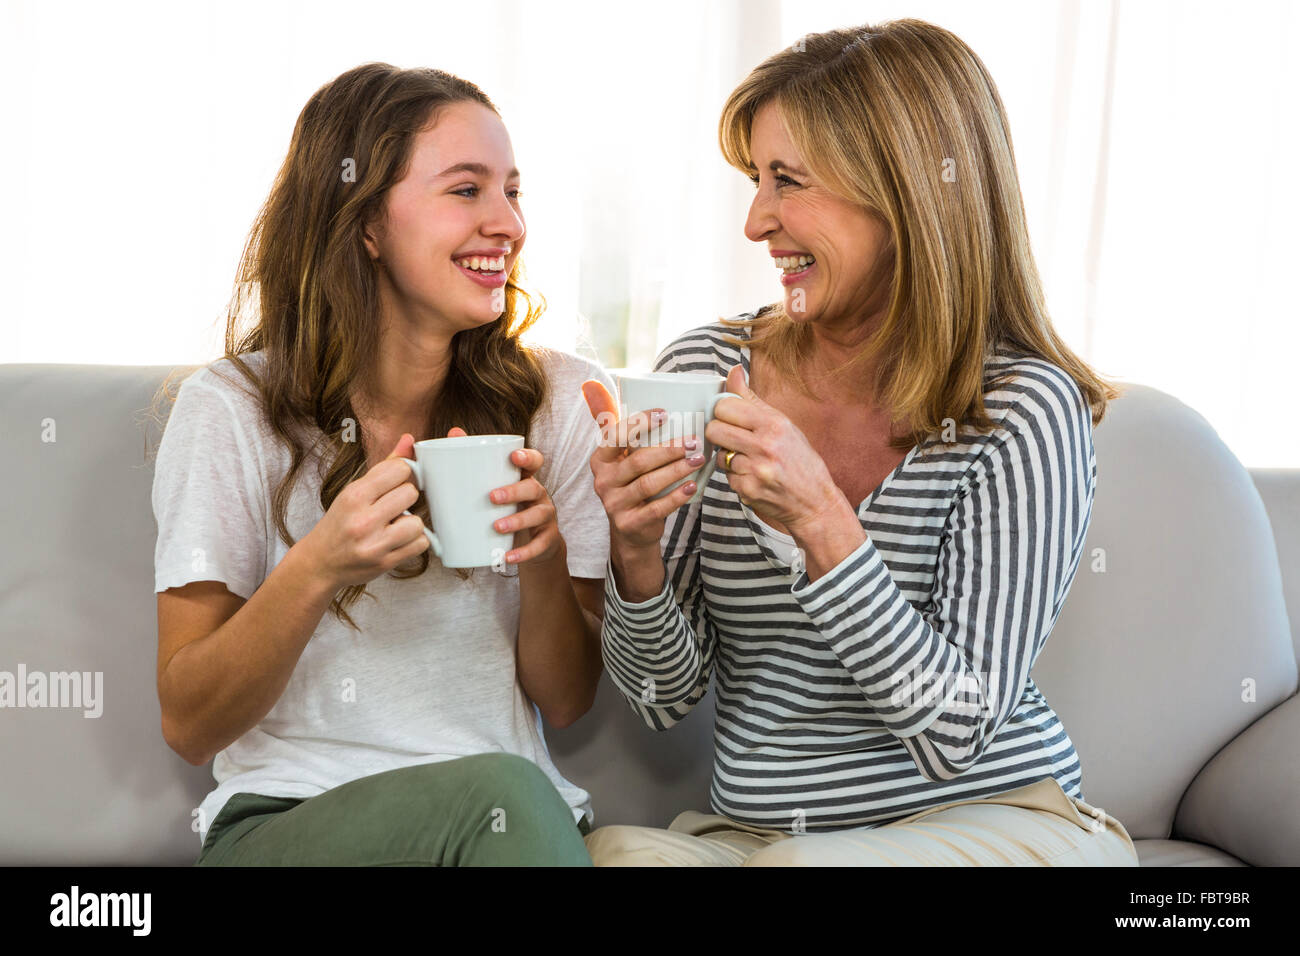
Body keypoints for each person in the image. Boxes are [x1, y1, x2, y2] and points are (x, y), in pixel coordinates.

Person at [579, 19, 1140, 866]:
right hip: (763, 837)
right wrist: (637, 551)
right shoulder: (705, 369)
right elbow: (663, 698)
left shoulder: (1022, 408)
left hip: (994, 818)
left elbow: (954, 732)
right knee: (616, 854)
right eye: (755, 180)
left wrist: (823, 524)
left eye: (787, 181)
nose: (756, 222)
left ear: (907, 192)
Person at [151, 63, 613, 866]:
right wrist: (319, 565)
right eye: (466, 191)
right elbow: (191, 724)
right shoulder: (231, 408)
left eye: (513, 191)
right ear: (366, 225)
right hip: (290, 824)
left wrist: (544, 561)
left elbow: (567, 702)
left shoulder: (562, 400)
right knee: (505, 795)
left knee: (508, 796)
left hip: (508, 829)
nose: (508, 223)